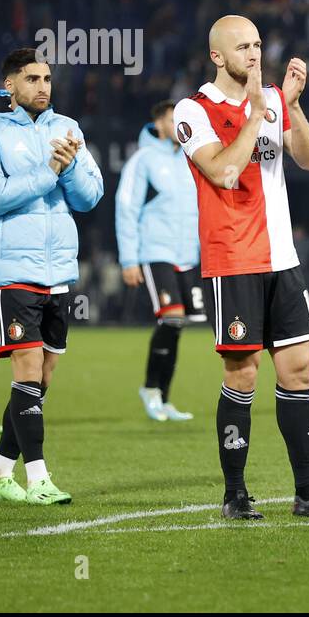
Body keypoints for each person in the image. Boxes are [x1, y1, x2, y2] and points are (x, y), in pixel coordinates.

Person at [173, 14, 309, 519]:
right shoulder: (193, 110)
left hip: (283, 258)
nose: (255, 54)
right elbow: (224, 170)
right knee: (243, 374)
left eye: (259, 44)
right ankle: (235, 494)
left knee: (300, 369)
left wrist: (293, 106)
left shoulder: (275, 102)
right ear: (218, 56)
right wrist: (258, 113)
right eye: (243, 47)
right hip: (234, 258)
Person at [0, 48, 104, 504]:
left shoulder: (68, 128)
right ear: (10, 85)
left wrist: (66, 171)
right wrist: (48, 170)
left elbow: (90, 198)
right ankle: (39, 479)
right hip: (11, 270)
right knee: (27, 371)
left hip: (59, 272)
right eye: (31, 79)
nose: (43, 86)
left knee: (41, 380)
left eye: (47, 78)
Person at [115, 100, 204, 422]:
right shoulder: (144, 160)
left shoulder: (191, 157)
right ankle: (151, 389)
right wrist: (129, 260)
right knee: (171, 318)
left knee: (178, 326)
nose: (179, 124)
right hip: (156, 252)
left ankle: (164, 399)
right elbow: (126, 208)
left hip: (188, 255)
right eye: (173, 119)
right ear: (159, 123)